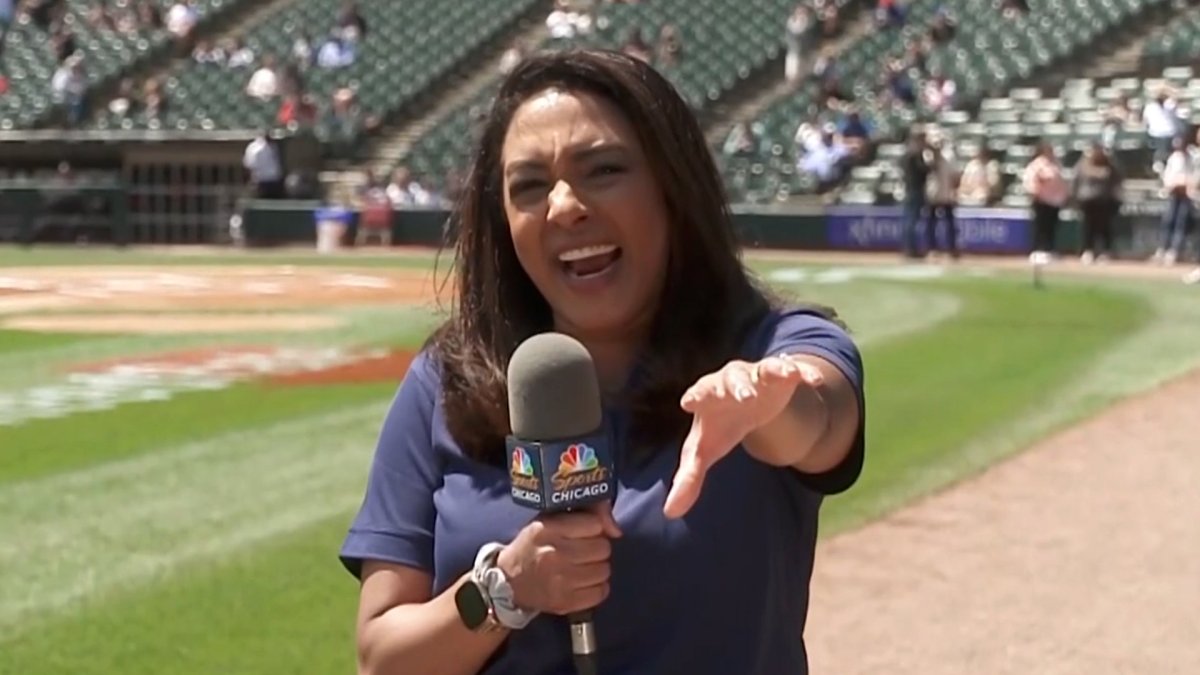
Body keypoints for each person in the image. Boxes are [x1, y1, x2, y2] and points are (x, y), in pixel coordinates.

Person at [338, 48, 866, 675]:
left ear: (673, 187)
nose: (564, 205)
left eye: (605, 169)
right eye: (529, 186)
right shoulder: (445, 382)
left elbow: (821, 420)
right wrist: (506, 589)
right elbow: (383, 659)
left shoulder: (771, 346)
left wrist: (770, 406)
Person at [1070, 141, 1122, 264]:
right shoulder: (1082, 165)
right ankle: (1088, 251)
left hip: (1105, 201)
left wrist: (1116, 197)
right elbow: (1075, 182)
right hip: (1087, 201)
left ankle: (1105, 251)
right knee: (1088, 227)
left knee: (1105, 228)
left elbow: (1117, 181)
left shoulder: (1110, 165)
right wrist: (1074, 197)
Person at [1022, 141, 1068, 264]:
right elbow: (1029, 180)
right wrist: (1034, 193)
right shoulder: (1037, 165)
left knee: (1051, 227)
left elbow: (1061, 182)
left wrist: (1063, 196)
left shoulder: (1056, 164)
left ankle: (1050, 250)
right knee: (1040, 226)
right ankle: (1038, 251)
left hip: (1055, 201)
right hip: (1041, 200)